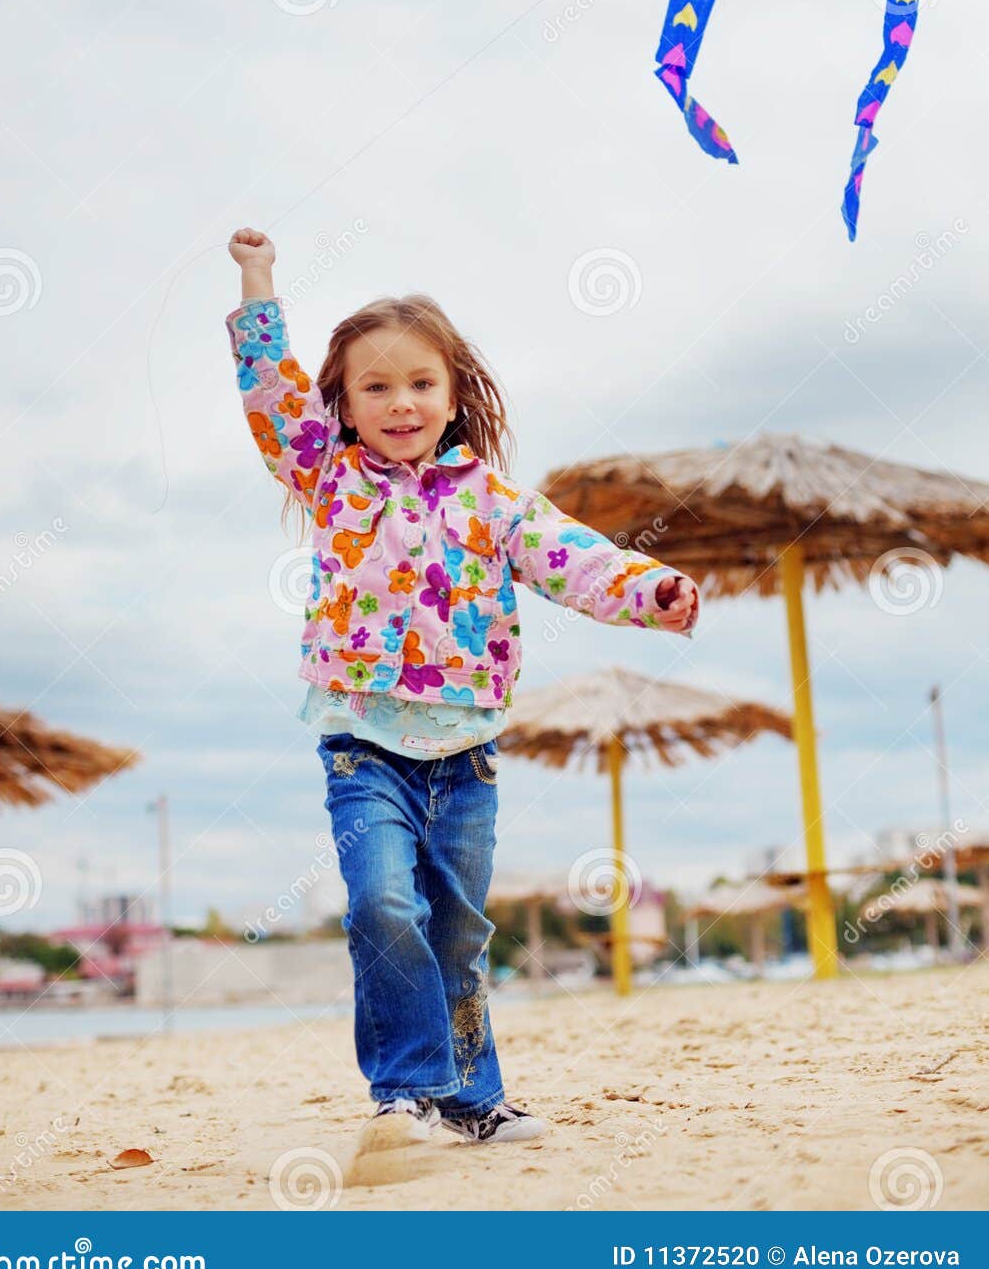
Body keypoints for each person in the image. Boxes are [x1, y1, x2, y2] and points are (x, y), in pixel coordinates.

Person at [225, 227, 700, 1148]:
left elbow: (577, 559)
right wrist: (258, 281)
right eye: (374, 387)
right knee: (381, 905)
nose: (400, 402)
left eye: (419, 383)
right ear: (343, 404)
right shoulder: (326, 473)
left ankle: (473, 1100)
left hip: (464, 754)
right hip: (362, 744)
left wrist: (651, 592)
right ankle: (404, 1092)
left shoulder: (492, 500)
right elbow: (271, 393)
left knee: (456, 933)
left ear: (452, 397)